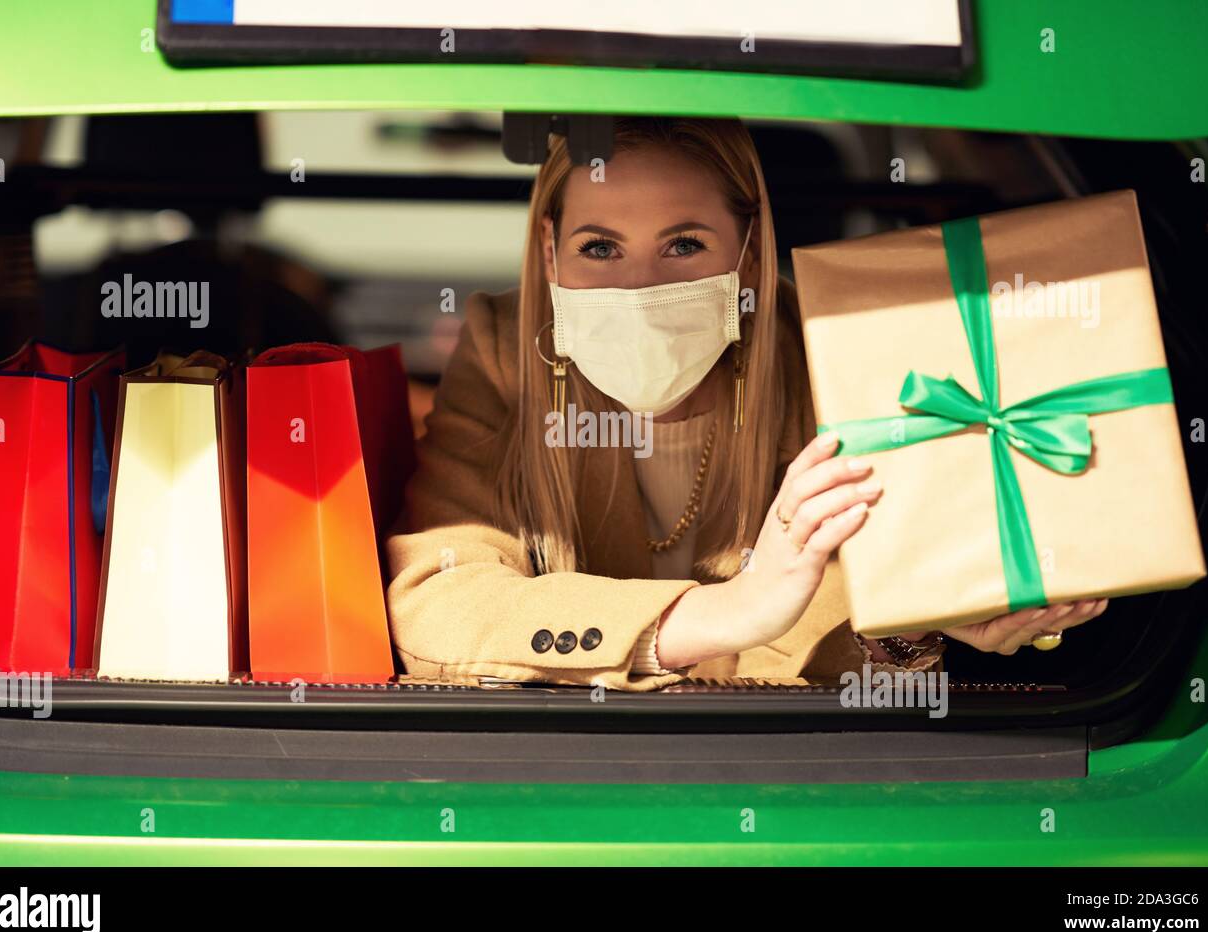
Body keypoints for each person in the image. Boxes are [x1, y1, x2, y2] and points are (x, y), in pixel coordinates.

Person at [384, 116, 1105, 692]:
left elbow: (871, 620)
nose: (638, 288)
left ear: (751, 254)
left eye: (684, 245)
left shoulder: (839, 347)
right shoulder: (505, 352)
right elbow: (440, 605)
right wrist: (726, 611)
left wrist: (927, 625)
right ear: (548, 253)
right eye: (599, 248)